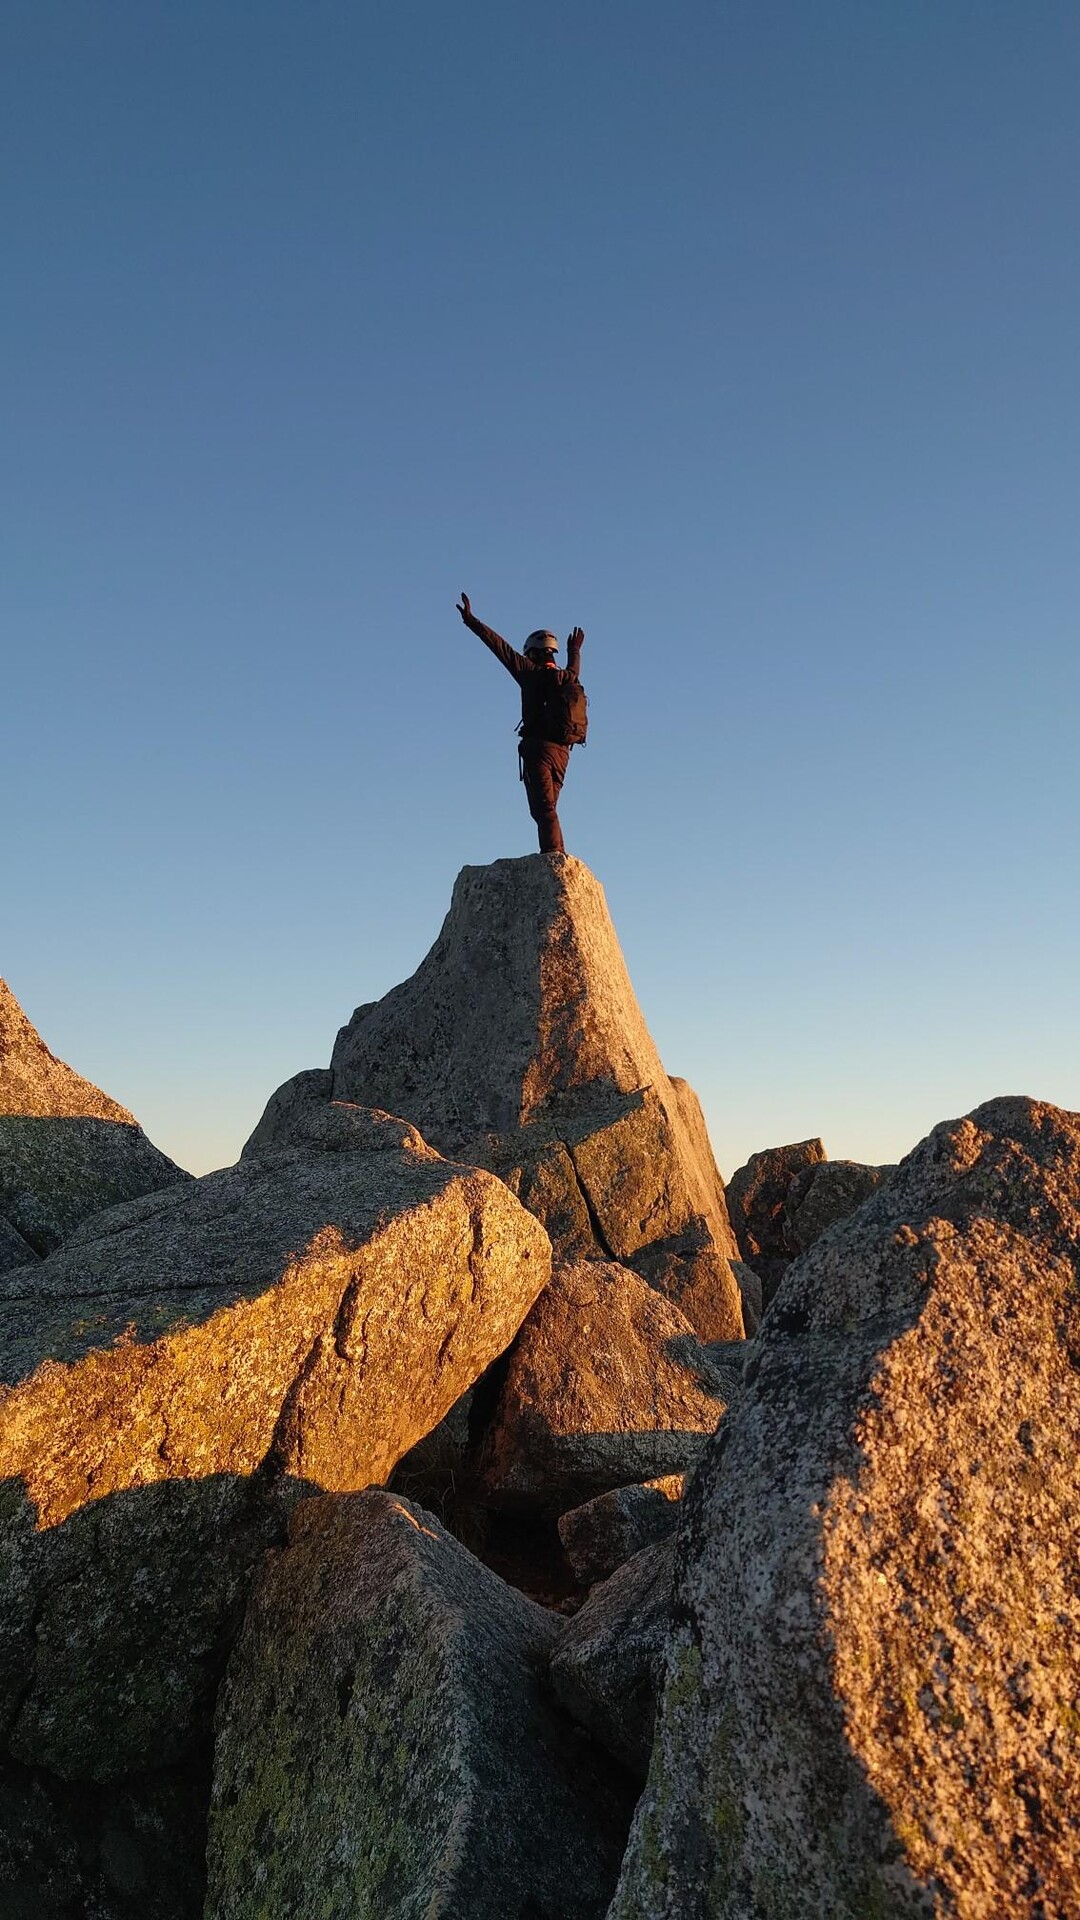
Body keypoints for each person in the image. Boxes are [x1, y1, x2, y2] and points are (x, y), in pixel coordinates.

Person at [456, 591, 585, 854]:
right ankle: (557, 855)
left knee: (543, 809)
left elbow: (499, 647)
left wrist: (471, 620)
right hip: (563, 753)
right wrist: (575, 651)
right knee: (549, 809)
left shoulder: (530, 674)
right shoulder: (568, 676)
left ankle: (553, 858)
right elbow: (574, 666)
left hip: (539, 750)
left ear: (532, 654)